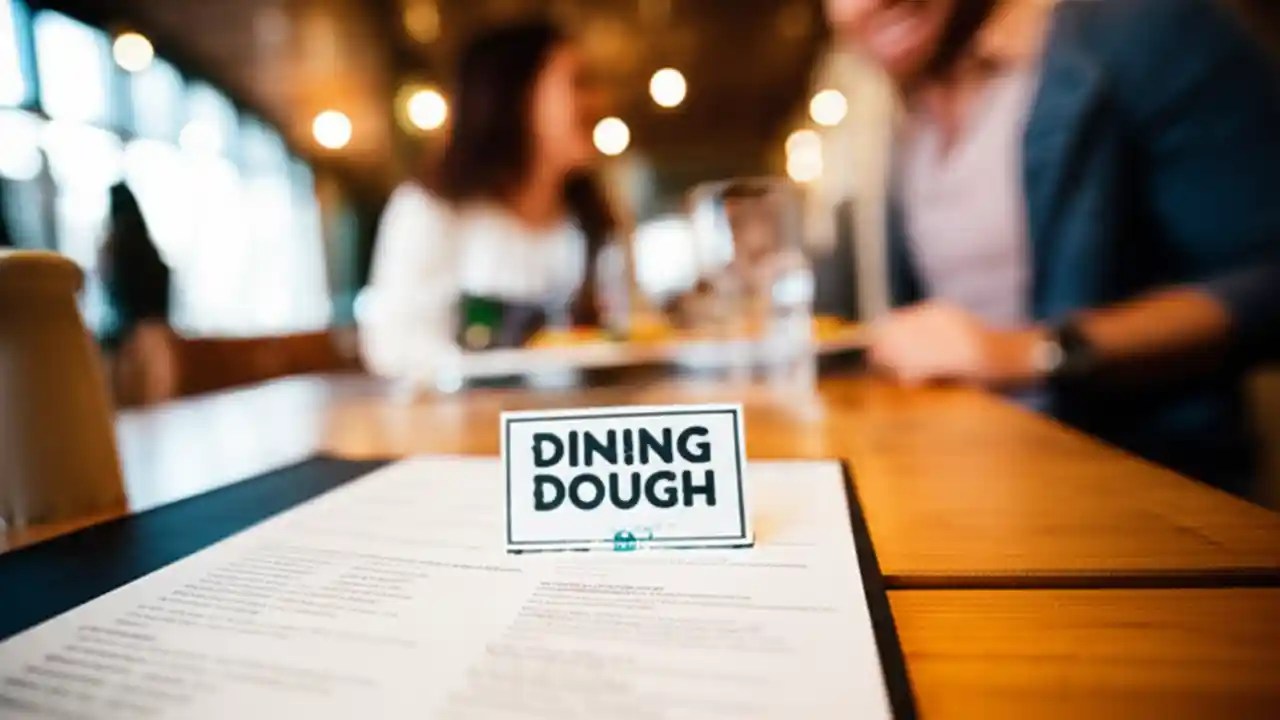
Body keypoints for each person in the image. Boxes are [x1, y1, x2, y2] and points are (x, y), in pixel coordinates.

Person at [825, 0, 1280, 494]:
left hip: (1137, 496)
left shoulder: (1143, 28)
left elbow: (1267, 280)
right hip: (962, 480)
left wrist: (1027, 354)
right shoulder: (914, 102)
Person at [358, 18, 614, 388]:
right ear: (517, 96)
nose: (597, 101)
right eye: (578, 83)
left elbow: (628, 325)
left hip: (576, 430)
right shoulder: (432, 209)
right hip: (466, 431)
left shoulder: (593, 218)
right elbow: (391, 345)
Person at [98, 182, 178, 406]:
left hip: (132, 346)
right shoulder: (153, 254)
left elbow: (113, 300)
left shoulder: (116, 249)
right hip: (162, 342)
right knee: (156, 413)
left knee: (135, 416)